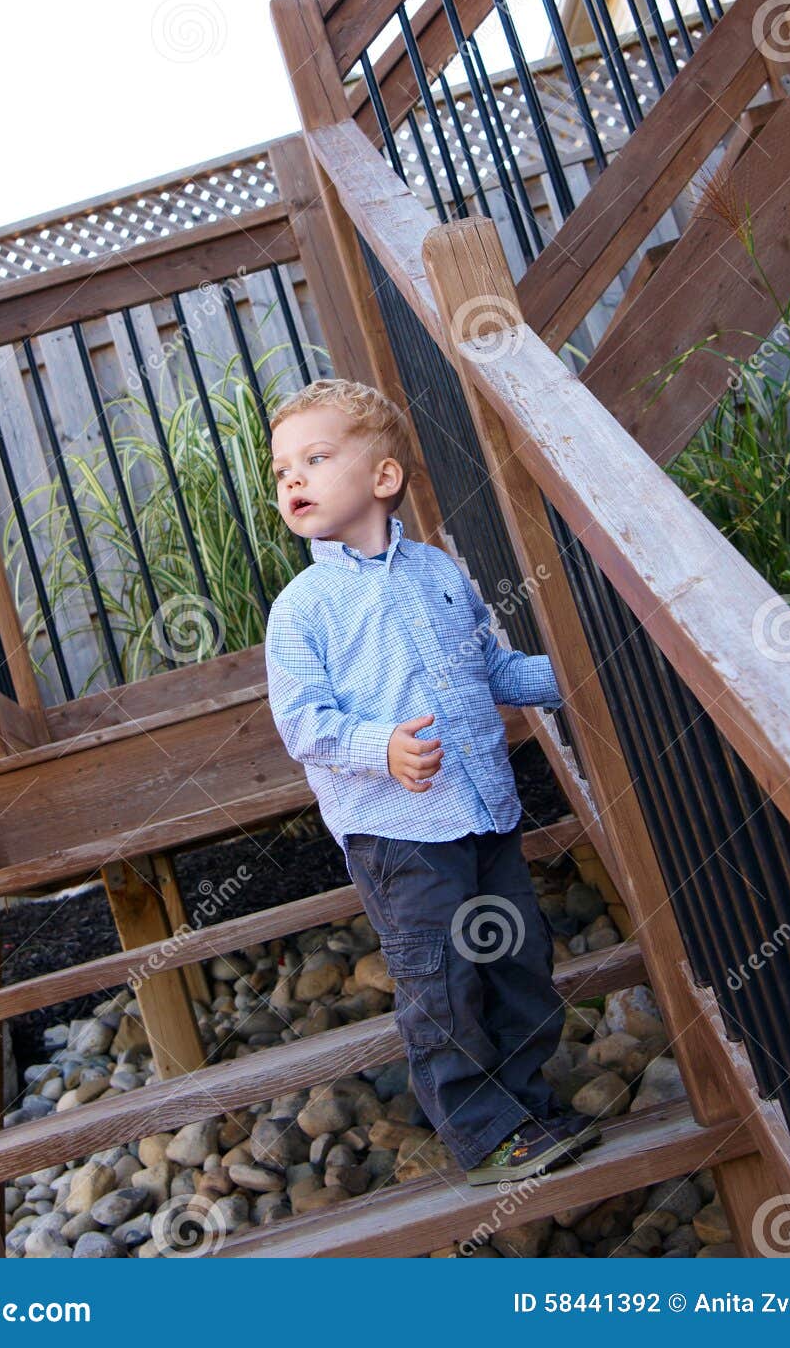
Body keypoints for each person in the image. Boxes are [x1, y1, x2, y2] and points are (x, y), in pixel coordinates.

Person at [263, 377, 601, 1185]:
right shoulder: (302, 608)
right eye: (281, 472)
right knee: (441, 983)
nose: (293, 481)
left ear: (382, 479)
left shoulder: (438, 573)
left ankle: (526, 1110)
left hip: (483, 812)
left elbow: (493, 668)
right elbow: (302, 723)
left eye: (314, 459)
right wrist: (380, 747)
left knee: (518, 965)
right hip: (399, 835)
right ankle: (483, 1137)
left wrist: (582, 676)